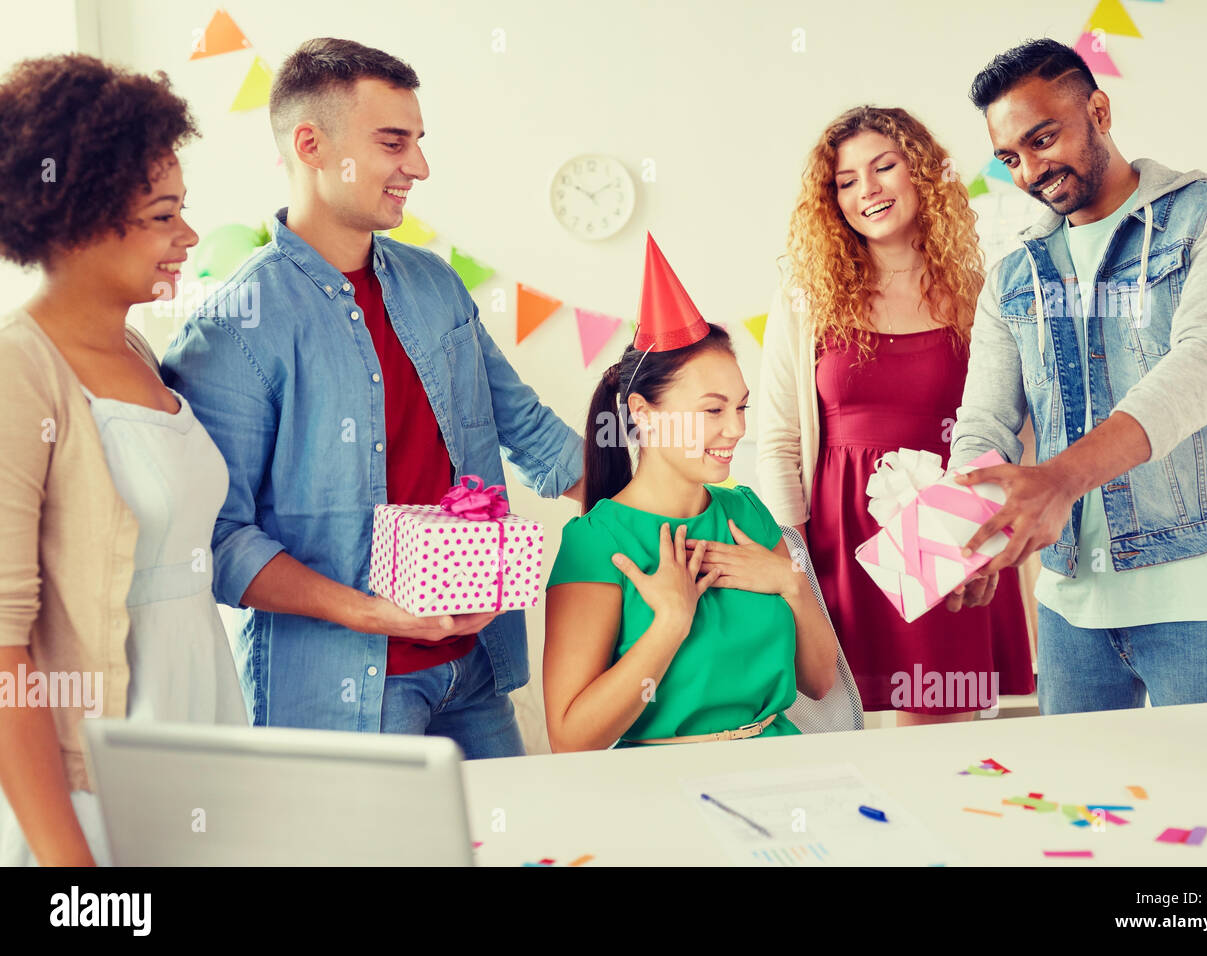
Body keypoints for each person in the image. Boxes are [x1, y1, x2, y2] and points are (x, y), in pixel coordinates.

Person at [162, 38, 583, 757]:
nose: (418, 167)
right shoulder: (233, 326)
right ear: (311, 144)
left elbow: (533, 435)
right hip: (343, 694)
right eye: (394, 143)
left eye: (418, 142)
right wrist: (375, 614)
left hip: (474, 671)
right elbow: (219, 542)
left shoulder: (434, 283)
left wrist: (687, 504)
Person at [949, 38, 1207, 713]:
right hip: (1069, 606)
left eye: (1043, 139)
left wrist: (1061, 477)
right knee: (1077, 811)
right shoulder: (1016, 273)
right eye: (1010, 157)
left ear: (1098, 108)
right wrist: (968, 533)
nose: (1031, 170)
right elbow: (985, 420)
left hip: (1200, 589)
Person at [0, 54, 247, 866]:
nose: (187, 237)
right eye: (162, 216)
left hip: (201, 746)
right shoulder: (19, 374)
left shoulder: (139, 349)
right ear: (76, 216)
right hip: (95, 788)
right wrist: (71, 868)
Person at [756, 106, 1034, 724]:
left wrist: (994, 536)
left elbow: (1012, 428)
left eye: (884, 167)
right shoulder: (806, 297)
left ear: (923, 174)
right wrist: (794, 559)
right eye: (847, 181)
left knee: (939, 725)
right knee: (836, 718)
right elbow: (777, 442)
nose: (868, 190)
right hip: (836, 536)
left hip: (949, 527)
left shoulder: (979, 292)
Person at [544, 237, 838, 751]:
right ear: (643, 412)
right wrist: (671, 622)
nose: (735, 430)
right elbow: (571, 739)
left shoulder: (746, 512)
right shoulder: (595, 543)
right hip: (665, 787)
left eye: (741, 408)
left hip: (784, 764)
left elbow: (819, 682)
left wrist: (792, 584)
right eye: (712, 410)